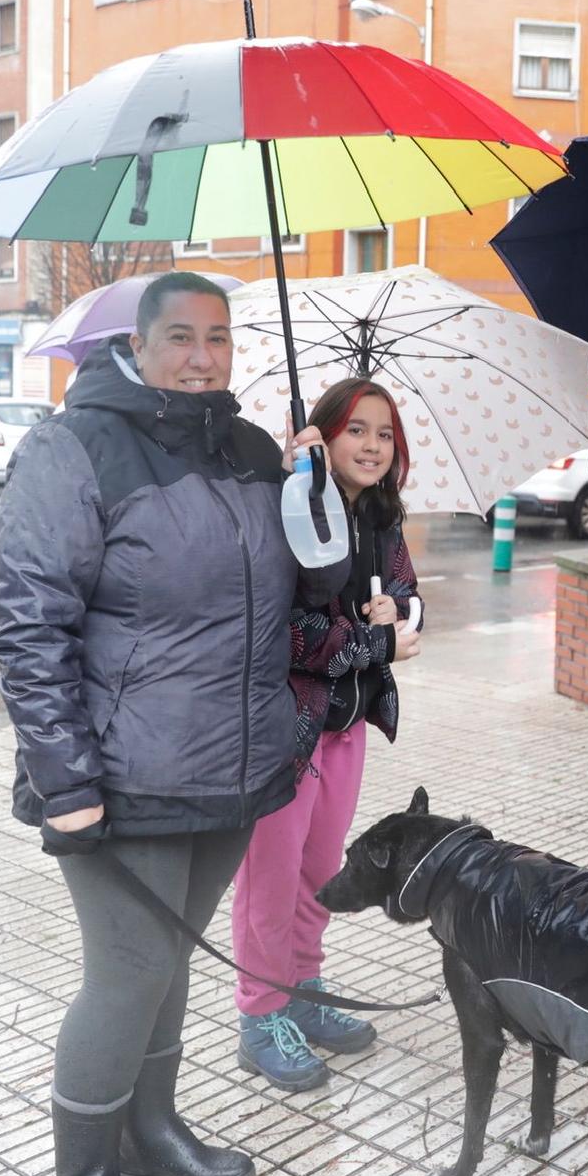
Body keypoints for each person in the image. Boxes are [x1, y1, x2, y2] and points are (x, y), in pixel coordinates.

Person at [0, 272, 348, 1176]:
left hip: (231, 773)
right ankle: (88, 1171)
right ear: (137, 346)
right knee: (127, 974)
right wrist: (66, 786)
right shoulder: (73, 448)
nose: (202, 357)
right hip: (123, 778)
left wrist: (314, 492)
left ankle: (152, 1138)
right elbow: (30, 626)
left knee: (171, 963)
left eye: (218, 338)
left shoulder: (254, 451)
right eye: (181, 337)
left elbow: (310, 593)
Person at [234, 376, 424, 1092]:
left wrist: (398, 608)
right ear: (325, 432)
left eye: (384, 433)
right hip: (288, 725)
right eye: (357, 430)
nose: (372, 445)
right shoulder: (290, 506)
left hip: (347, 725)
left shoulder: (379, 515)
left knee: (319, 869)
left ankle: (303, 990)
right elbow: (285, 632)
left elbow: (409, 597)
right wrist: (376, 642)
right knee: (270, 877)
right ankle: (260, 1014)